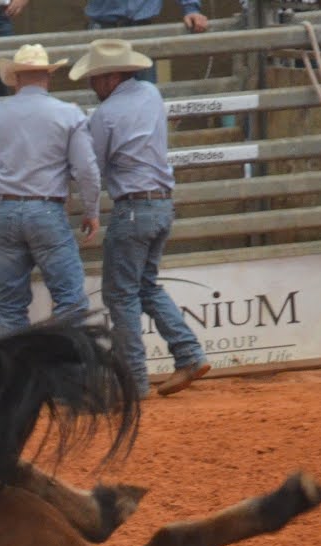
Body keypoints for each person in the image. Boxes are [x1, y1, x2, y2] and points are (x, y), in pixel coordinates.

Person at [76, 38, 208, 398]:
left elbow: (94, 166)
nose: (92, 85)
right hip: (162, 204)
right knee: (145, 285)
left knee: (121, 295)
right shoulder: (150, 93)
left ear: (109, 77)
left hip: (133, 208)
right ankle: (189, 353)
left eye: (94, 78)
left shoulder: (104, 115)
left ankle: (134, 379)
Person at [0, 44, 101, 338]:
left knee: (11, 304)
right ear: (47, 77)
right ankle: (68, 374)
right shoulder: (69, 114)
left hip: (7, 210)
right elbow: (86, 169)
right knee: (71, 301)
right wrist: (91, 211)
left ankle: (14, 378)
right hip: (46, 210)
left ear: (16, 79)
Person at [83, 0, 207, 84]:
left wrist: (191, 9)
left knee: (145, 94)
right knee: (104, 92)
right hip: (104, 27)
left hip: (142, 28)